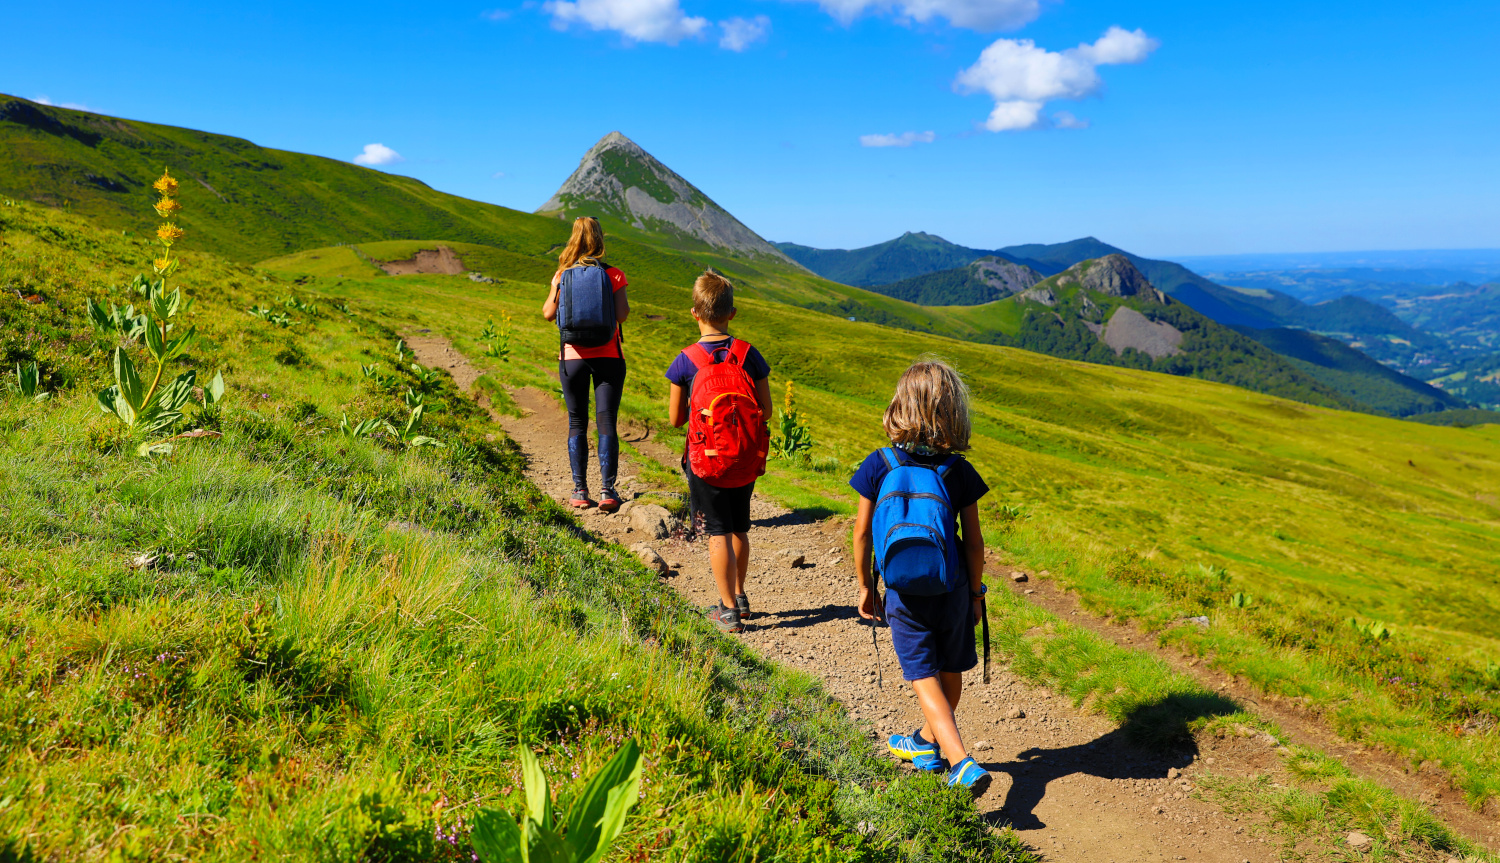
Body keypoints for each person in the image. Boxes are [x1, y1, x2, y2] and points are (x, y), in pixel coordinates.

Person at [851, 359, 992, 795]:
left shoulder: (879, 464)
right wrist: (975, 591)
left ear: (899, 406)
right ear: (954, 412)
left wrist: (864, 588)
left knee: (922, 676)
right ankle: (925, 744)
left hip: (903, 593)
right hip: (950, 588)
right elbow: (973, 542)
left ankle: (961, 762)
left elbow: (860, 535)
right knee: (949, 672)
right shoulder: (958, 471)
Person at [665, 272, 772, 634]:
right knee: (740, 526)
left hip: (706, 459)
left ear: (694, 312)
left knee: (717, 531)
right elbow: (766, 410)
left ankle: (727, 611)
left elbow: (676, 419)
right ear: (733, 313)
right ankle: (740, 596)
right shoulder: (748, 354)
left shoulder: (685, 361)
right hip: (744, 455)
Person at [542, 216, 630, 511]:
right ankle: (608, 491)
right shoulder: (614, 275)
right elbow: (622, 316)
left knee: (577, 421)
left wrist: (557, 287)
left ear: (573, 239)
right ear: (600, 239)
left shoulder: (561, 275)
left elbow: (547, 314)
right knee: (606, 421)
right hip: (608, 357)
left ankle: (579, 490)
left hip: (572, 358)